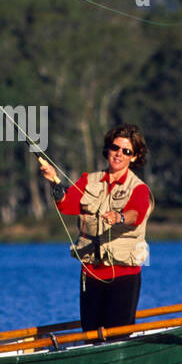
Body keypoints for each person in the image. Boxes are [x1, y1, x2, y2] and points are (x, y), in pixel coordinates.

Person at [38, 123, 154, 333]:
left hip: (124, 276)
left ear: (134, 157)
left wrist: (119, 217)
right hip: (90, 274)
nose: (119, 154)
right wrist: (54, 181)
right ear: (107, 150)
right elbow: (67, 204)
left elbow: (135, 214)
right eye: (115, 148)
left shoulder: (139, 189)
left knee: (117, 338)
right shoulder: (87, 180)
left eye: (126, 151)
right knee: (91, 336)